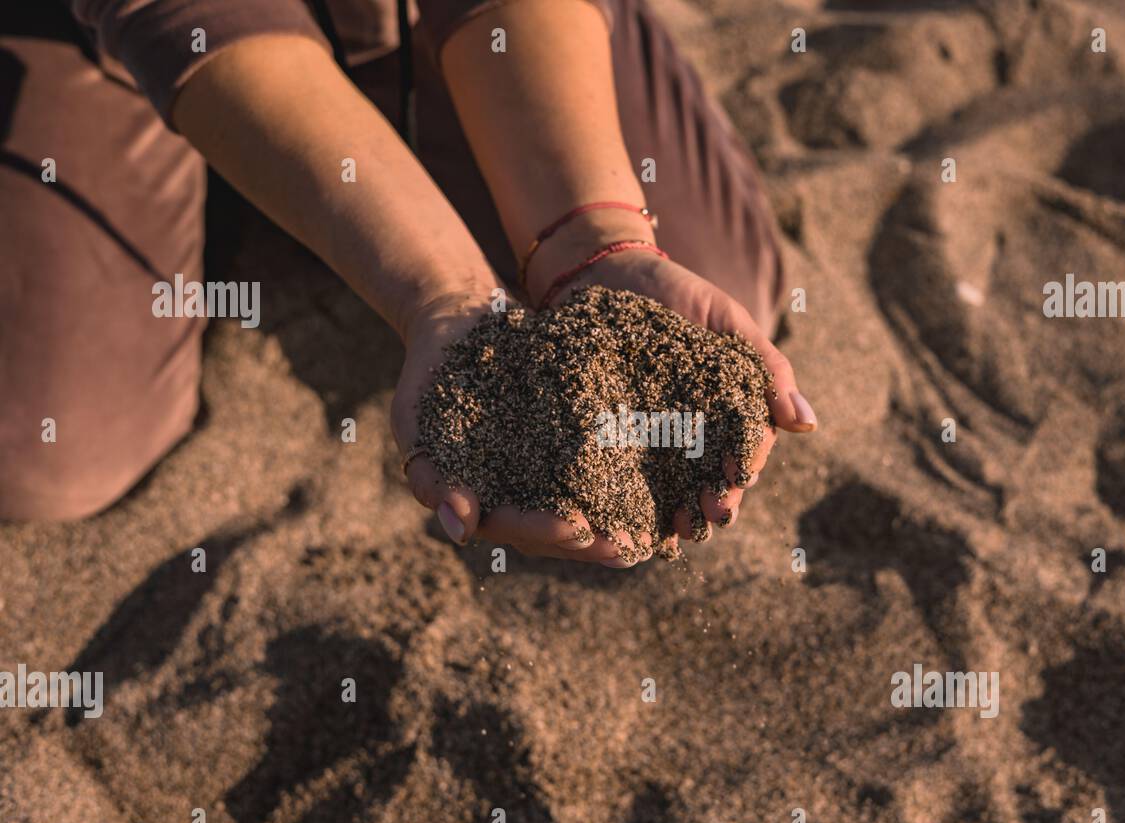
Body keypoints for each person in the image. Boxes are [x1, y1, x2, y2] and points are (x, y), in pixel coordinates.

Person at [0, 0, 817, 568]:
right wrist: (440, 286)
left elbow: (605, 242)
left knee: (720, 280)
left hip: (456, 20)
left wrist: (588, 235)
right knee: (49, 444)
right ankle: (213, 139)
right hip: (136, 31)